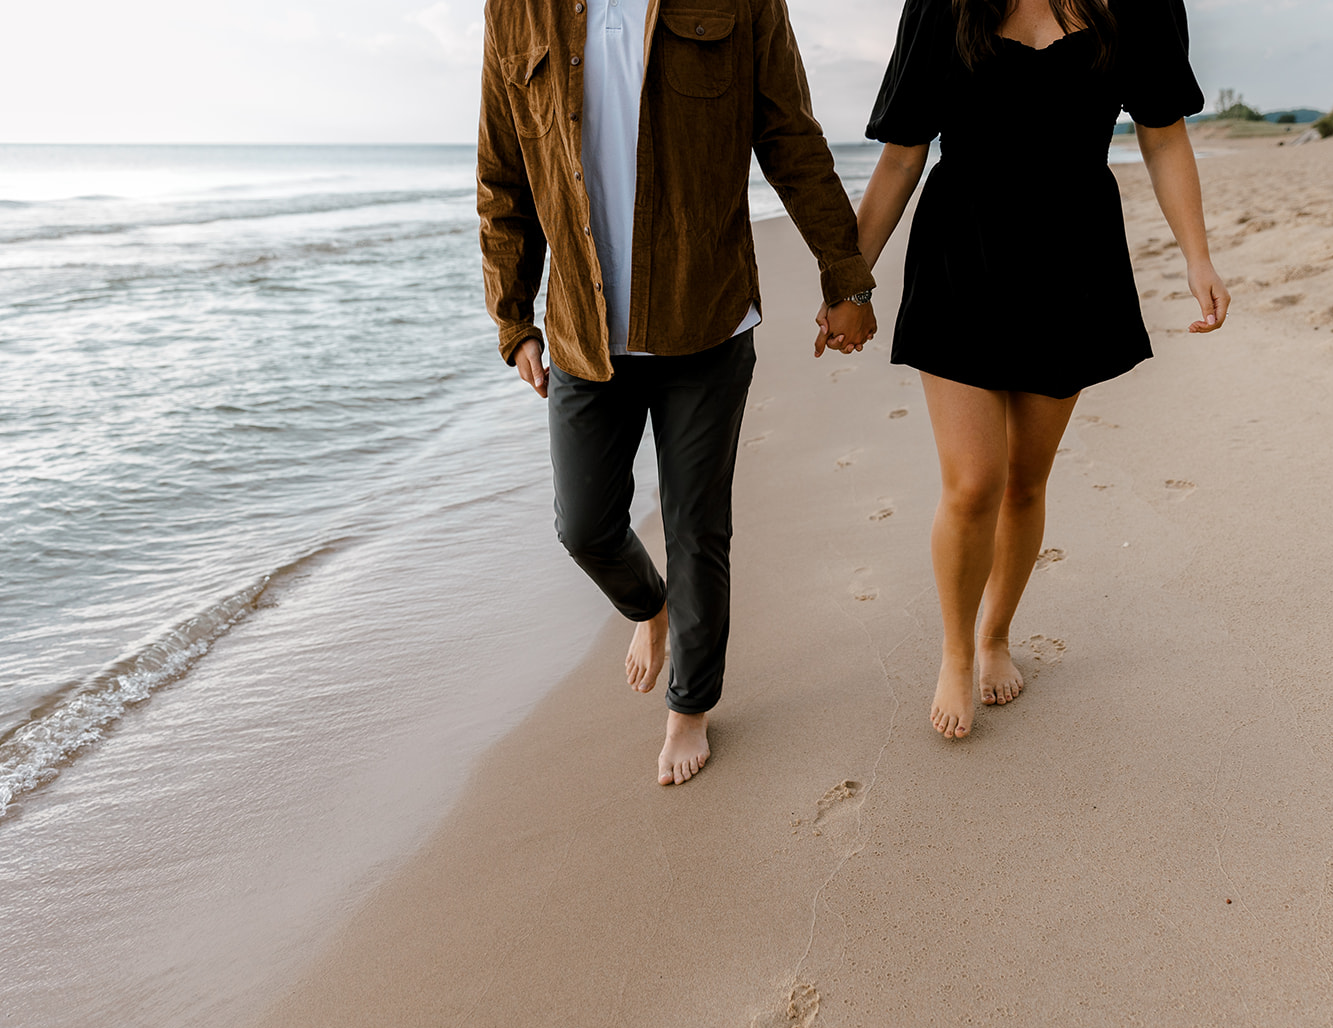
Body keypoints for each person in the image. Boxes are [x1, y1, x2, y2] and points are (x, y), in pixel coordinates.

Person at [478, 0, 877, 784]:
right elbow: (503, 174)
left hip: (709, 317)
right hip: (587, 330)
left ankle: (690, 705)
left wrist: (846, 276)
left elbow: (789, 134)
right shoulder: (515, 10)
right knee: (585, 527)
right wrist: (514, 319)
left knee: (698, 527)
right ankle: (649, 609)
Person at [851, 0, 1229, 739]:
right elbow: (902, 152)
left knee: (1025, 479)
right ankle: (957, 651)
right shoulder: (943, 4)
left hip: (1071, 261)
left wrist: (1197, 256)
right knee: (972, 482)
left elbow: (1162, 135)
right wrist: (849, 281)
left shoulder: (1137, 4)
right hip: (963, 251)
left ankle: (996, 634)